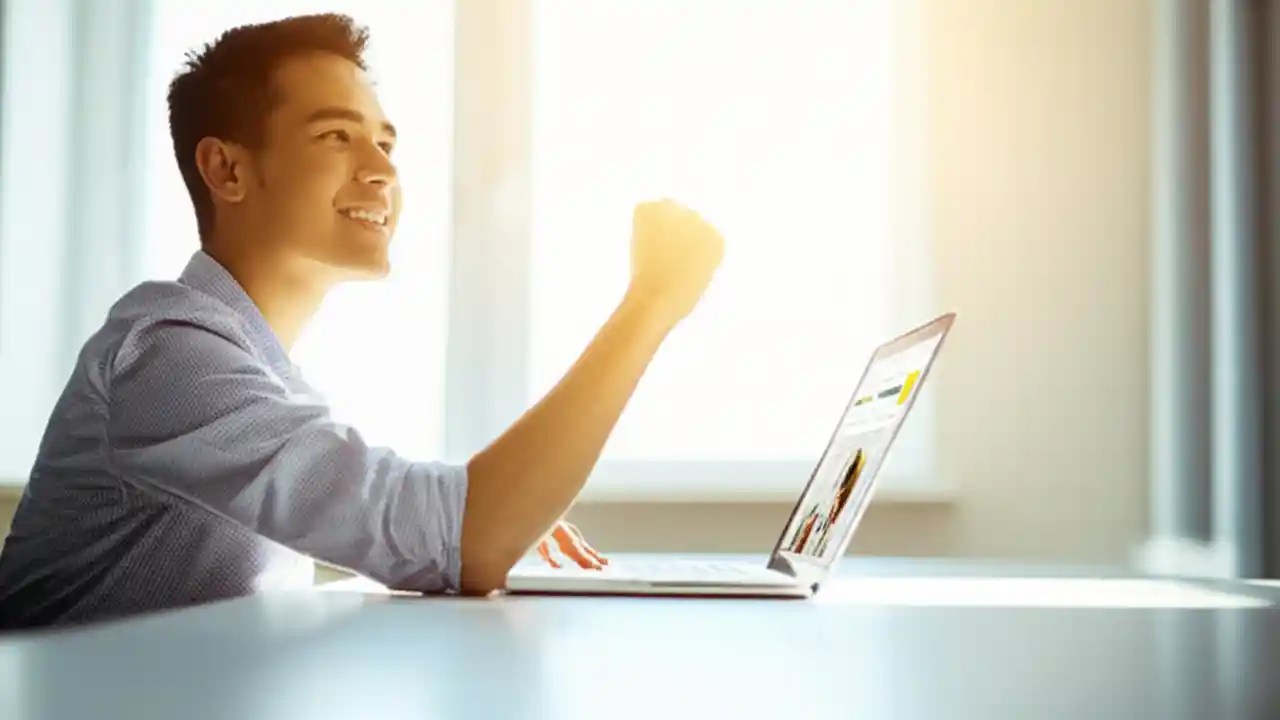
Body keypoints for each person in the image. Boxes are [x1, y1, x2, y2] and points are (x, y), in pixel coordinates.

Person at [0, 14, 723, 628]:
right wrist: (650, 303)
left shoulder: (262, 378)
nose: (382, 169)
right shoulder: (168, 357)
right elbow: (463, 541)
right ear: (227, 171)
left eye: (386, 142)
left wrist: (507, 512)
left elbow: (440, 531)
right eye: (336, 137)